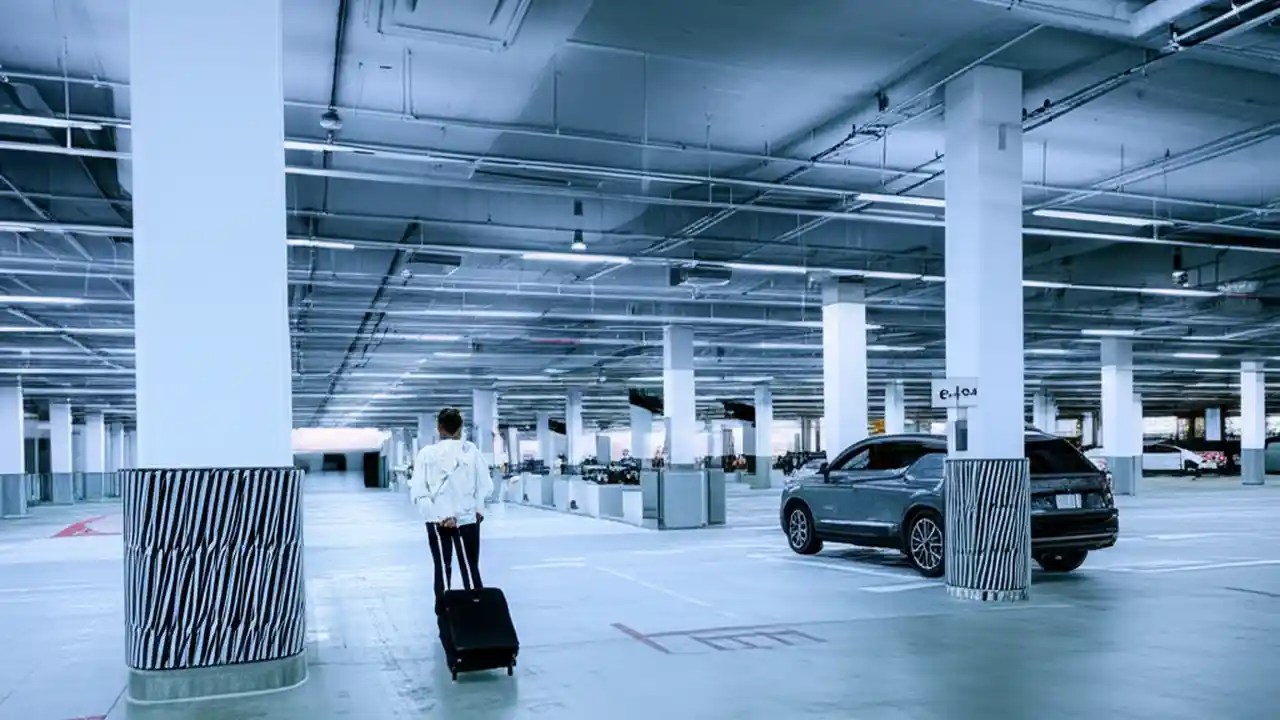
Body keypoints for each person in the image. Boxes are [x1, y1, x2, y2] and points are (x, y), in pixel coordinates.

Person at [408, 408, 494, 612]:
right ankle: (475, 607)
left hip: (437, 521)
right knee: (471, 565)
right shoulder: (471, 452)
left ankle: (446, 609)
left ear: (439, 428)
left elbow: (419, 491)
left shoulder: (427, 454)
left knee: (442, 564)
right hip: (468, 518)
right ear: (461, 427)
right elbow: (485, 485)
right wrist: (477, 509)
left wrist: (440, 515)